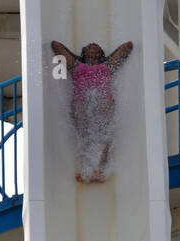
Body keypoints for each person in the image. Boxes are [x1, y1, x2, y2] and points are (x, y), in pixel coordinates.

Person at [50, 40, 134, 183]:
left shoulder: (108, 65)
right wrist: (76, 57)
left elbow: (128, 46)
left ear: (101, 53)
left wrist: (106, 58)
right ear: (84, 52)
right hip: (81, 100)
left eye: (96, 47)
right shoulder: (75, 65)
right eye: (89, 46)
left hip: (103, 100)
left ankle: (100, 169)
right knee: (84, 134)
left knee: (104, 134)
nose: (92, 45)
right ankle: (86, 169)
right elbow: (55, 45)